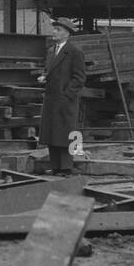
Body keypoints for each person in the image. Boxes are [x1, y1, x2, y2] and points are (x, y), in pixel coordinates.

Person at [36, 17, 86, 175]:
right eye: (54, 29)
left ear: (67, 34)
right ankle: (56, 166)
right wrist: (44, 76)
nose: (54, 32)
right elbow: (50, 70)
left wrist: (67, 95)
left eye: (58, 30)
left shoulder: (74, 52)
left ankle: (66, 167)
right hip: (51, 99)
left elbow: (79, 78)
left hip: (65, 100)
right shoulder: (51, 51)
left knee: (66, 133)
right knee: (52, 133)